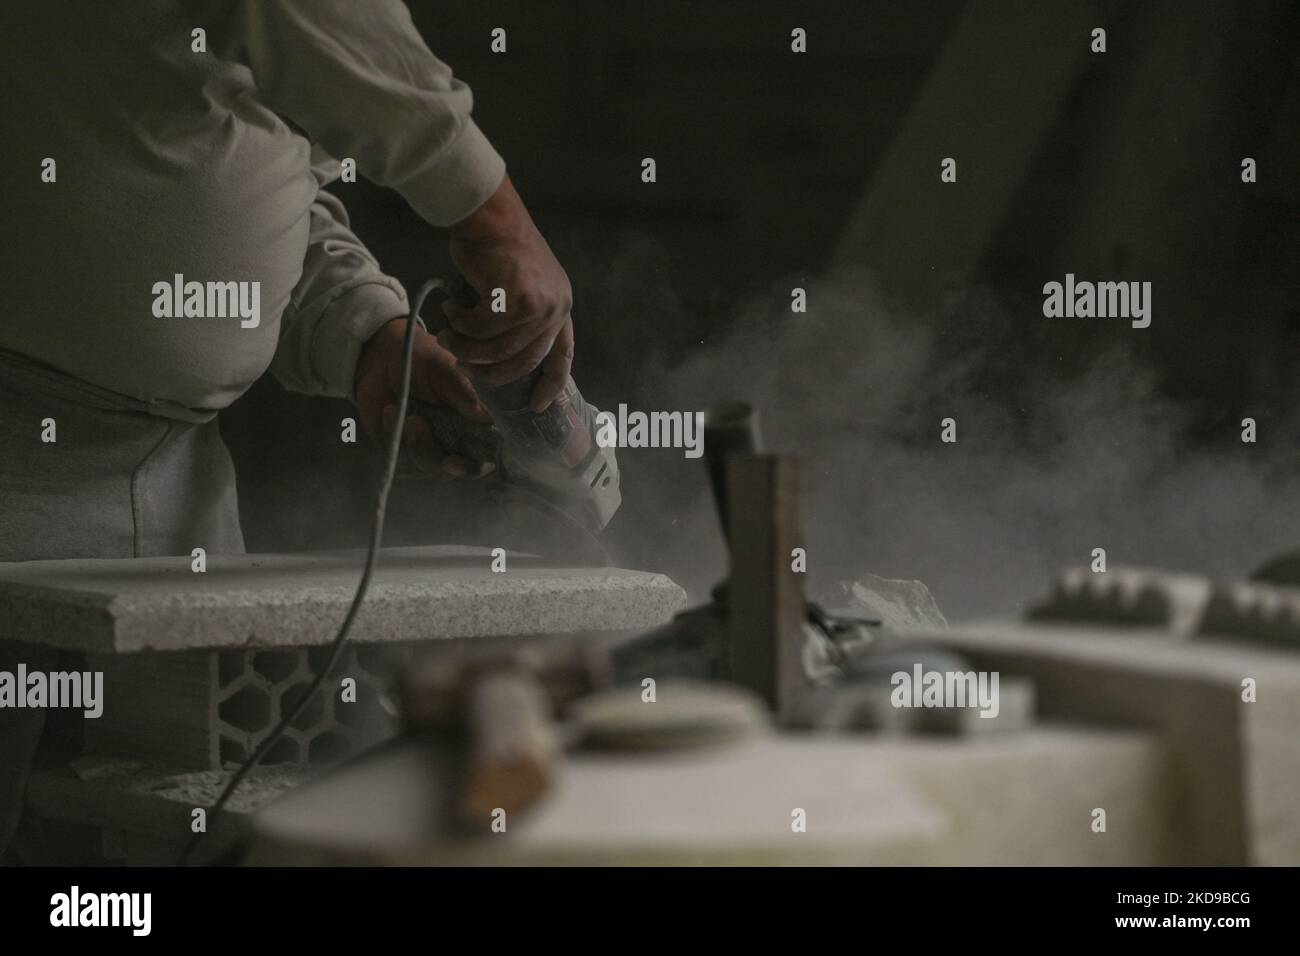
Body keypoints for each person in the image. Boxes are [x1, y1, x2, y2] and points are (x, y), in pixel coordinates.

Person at [0, 1, 573, 860]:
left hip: (175, 491)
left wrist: (366, 331)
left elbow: (239, 168)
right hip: (22, 457)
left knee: (137, 866)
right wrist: (493, 216)